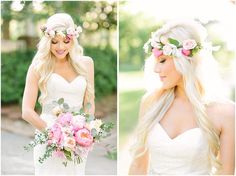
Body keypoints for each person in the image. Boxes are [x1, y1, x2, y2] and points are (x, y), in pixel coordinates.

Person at [128, 20, 235, 175]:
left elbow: (225, 173)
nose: (156, 69)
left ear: (185, 60)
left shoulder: (226, 112)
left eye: (163, 60)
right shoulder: (151, 102)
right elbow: (138, 166)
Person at [22, 13, 95, 175]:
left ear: (73, 40)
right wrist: (54, 135)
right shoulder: (38, 67)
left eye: (66, 41)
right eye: (55, 42)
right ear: (48, 41)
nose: (60, 47)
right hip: (47, 137)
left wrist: (87, 131)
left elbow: (89, 103)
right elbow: (26, 111)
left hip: (77, 141)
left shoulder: (86, 63)